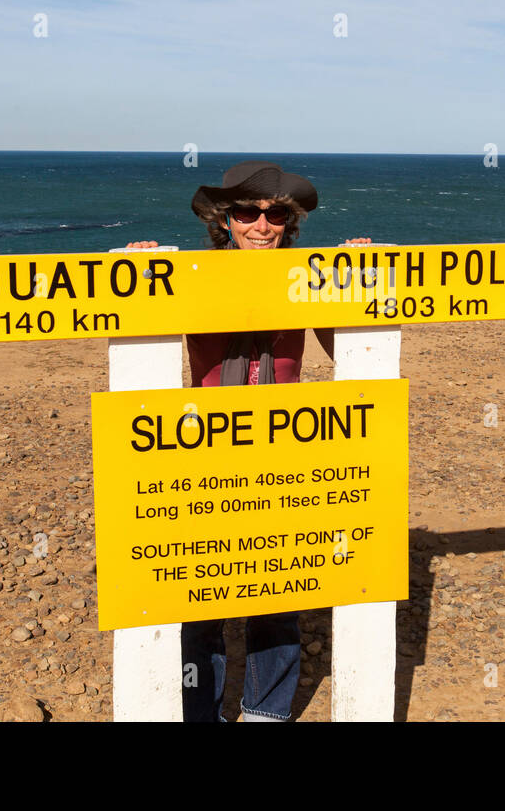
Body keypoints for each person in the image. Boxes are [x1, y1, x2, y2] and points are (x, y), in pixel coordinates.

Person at [125, 160, 370, 722]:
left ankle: (267, 711)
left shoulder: (308, 277)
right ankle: (200, 712)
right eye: (247, 213)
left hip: (285, 448)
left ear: (287, 222)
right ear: (225, 221)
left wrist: (359, 275)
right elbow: (140, 326)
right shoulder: (188, 275)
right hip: (201, 450)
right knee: (198, 592)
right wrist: (136, 269)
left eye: (275, 213)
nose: (262, 224)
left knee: (280, 591)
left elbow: (347, 349)